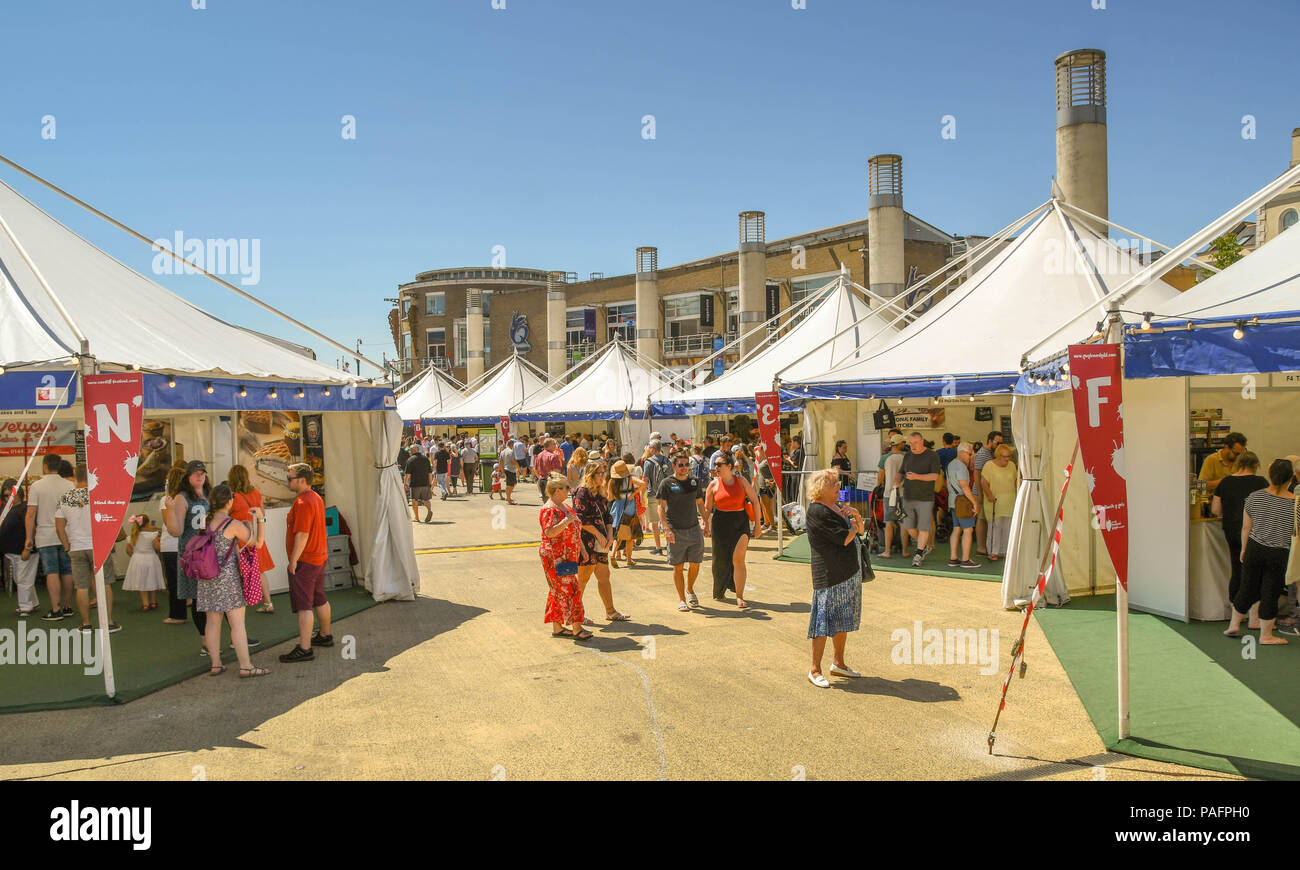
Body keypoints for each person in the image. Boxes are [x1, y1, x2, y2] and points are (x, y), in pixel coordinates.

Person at [197, 484, 270, 678]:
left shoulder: (204, 521)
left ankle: (216, 664)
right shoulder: (233, 524)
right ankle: (246, 666)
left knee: (212, 623)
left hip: (207, 578)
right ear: (230, 501)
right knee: (237, 624)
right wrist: (260, 519)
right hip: (228, 578)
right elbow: (258, 544)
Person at [805, 469, 868, 687]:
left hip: (847, 572)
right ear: (822, 487)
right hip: (829, 574)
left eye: (837, 482)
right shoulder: (817, 511)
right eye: (834, 483)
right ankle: (815, 669)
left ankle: (838, 663)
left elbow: (860, 531)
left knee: (843, 619)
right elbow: (844, 538)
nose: (838, 486)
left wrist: (856, 517)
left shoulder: (837, 507)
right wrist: (852, 525)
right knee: (823, 622)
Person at [1225, 459, 1296, 645]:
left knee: (1246, 587)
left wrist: (1244, 550)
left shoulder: (1254, 496)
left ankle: (1234, 625)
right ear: (1291, 478)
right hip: (1279, 552)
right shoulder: (1295, 504)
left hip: (1254, 548)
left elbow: (1246, 528)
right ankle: (1266, 636)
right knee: (1270, 592)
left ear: (1269, 474)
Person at [55, 464, 121, 633]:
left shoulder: (65, 497)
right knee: (105, 584)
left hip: (76, 547)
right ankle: (108, 622)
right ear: (93, 475)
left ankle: (85, 624)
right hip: (99, 546)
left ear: (76, 475)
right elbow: (111, 521)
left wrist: (67, 546)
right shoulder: (100, 495)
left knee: (82, 587)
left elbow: (59, 527)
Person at [280, 463, 333, 663]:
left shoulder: (303, 502)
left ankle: (305, 648)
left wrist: (293, 560)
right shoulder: (316, 498)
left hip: (306, 560)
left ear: (302, 480)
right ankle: (325, 635)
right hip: (319, 557)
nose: (287, 481)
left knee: (304, 605)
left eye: (290, 478)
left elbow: (302, 534)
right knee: (319, 597)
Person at [165, 460, 218, 649]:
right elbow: (176, 530)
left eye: (202, 472)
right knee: (199, 599)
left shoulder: (210, 495)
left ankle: (232, 637)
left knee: (218, 596)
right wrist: (170, 511)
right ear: (188, 476)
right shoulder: (182, 498)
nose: (200, 476)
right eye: (196, 473)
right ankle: (206, 640)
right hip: (193, 556)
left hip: (211, 552)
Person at [704, 450, 762, 608]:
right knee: (720, 561)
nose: (716, 467)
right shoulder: (713, 484)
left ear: (729, 466)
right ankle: (720, 589)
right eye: (715, 464)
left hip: (739, 522)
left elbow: (755, 502)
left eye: (719, 464)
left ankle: (739, 595)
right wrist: (705, 524)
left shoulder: (741, 481)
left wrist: (757, 524)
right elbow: (707, 508)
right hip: (720, 523)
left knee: (738, 559)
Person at [1211, 451, 1268, 608]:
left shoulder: (1225, 482)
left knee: (1236, 567)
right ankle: (1252, 609)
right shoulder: (1261, 482)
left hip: (1231, 529)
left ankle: (1235, 605)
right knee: (1254, 571)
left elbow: (1215, 509)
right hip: (1254, 532)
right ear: (1256, 465)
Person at [539, 472, 592, 641]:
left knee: (557, 592)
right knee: (572, 590)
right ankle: (576, 627)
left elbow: (575, 529)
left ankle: (558, 628)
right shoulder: (550, 509)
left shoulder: (564, 506)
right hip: (556, 558)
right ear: (556, 491)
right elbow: (549, 532)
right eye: (566, 488)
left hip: (567, 556)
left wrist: (582, 548)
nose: (569, 490)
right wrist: (565, 522)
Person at [572, 462, 628, 621]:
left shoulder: (600, 493)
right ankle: (576, 613)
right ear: (590, 476)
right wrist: (598, 534)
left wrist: (610, 534)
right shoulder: (581, 493)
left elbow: (607, 516)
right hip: (587, 541)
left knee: (604, 576)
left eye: (604, 473)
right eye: (600, 474)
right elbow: (579, 519)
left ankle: (610, 611)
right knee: (583, 578)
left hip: (601, 541)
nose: (604, 476)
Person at [25, 453, 75, 621]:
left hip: (45, 536)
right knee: (67, 571)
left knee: (51, 571)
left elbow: (31, 514)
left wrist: (28, 538)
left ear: (45, 466)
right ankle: (68, 606)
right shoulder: (70, 485)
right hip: (67, 535)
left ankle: (56, 609)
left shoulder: (37, 486)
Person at [658, 450, 706, 612]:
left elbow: (700, 503)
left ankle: (690, 589)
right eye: (681, 465)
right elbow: (661, 507)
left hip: (694, 529)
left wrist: (706, 521)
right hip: (675, 530)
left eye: (687, 465)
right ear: (674, 466)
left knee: (695, 563)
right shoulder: (666, 483)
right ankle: (682, 599)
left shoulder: (694, 482)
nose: (684, 468)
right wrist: (666, 528)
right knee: (678, 566)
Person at [227, 464, 277, 613]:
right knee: (260, 571)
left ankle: (242, 602)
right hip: (256, 536)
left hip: (240, 540)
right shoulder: (255, 492)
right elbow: (263, 512)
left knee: (239, 572)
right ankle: (268, 603)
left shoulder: (233, 497)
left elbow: (226, 517)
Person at [900, 432, 941, 568]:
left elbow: (935, 476)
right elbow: (901, 472)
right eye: (910, 443)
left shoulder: (932, 455)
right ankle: (924, 546)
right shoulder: (907, 456)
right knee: (908, 527)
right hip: (908, 496)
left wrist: (917, 476)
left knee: (923, 527)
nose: (913, 446)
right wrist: (895, 483)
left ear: (922, 441)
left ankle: (918, 555)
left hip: (925, 498)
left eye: (916, 443)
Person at [3, 478, 41, 618]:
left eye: (11, 495)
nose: (8, 498)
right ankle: (33, 602)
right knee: (21, 578)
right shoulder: (5, 509)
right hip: (10, 551)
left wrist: (28, 547)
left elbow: (32, 528)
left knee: (24, 578)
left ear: (19, 493)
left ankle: (25, 606)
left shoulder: (26, 508)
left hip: (25, 549)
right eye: (6, 495)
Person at [159, 465, 189, 625]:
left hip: (171, 545)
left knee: (174, 582)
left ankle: (177, 614)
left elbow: (168, 523)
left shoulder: (167, 500)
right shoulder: (187, 498)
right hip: (186, 544)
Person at [981, 444, 1020, 561]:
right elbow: (984, 482)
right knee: (995, 527)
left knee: (1007, 527)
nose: (1007, 459)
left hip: (1009, 501)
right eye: (1004, 456)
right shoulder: (989, 465)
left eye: (1009, 456)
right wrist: (989, 495)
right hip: (994, 502)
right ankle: (993, 552)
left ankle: (1004, 551)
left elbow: (1015, 481)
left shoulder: (1012, 465)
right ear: (998, 455)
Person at [945, 443, 981, 569]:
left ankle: (953, 558)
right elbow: (965, 487)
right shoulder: (961, 467)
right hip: (962, 502)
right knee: (968, 529)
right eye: (969, 454)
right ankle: (965, 559)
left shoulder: (951, 464)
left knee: (956, 529)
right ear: (961, 452)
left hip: (953, 501)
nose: (970, 457)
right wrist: (974, 503)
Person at [606, 459, 645, 568]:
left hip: (617, 507)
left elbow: (609, 498)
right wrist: (634, 493)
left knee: (618, 533)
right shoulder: (630, 479)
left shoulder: (611, 482)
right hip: (629, 507)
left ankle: (613, 554)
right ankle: (628, 560)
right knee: (630, 535)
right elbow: (643, 484)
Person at [123, 515, 165, 611]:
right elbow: (158, 547)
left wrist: (135, 555)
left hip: (137, 559)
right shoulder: (152, 535)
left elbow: (128, 550)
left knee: (141, 581)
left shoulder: (131, 537)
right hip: (151, 559)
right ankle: (153, 602)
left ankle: (145, 604)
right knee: (152, 579)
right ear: (147, 523)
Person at [972, 431, 1003, 556]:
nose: (999, 445)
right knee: (981, 519)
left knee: (987, 519)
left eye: (1001, 442)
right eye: (997, 442)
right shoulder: (983, 454)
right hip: (981, 492)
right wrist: (980, 494)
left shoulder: (993, 454)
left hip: (989, 492)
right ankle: (981, 547)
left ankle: (986, 545)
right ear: (990, 441)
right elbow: (976, 474)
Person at [642, 440, 671, 556]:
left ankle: (658, 548)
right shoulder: (667, 460)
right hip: (667, 495)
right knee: (668, 520)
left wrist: (641, 496)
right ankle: (670, 546)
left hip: (653, 494)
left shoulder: (648, 462)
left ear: (653, 449)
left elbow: (645, 481)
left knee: (654, 522)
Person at [880, 435, 908, 558]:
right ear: (899, 444)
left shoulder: (884, 458)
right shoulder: (906, 457)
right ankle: (905, 551)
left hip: (889, 493)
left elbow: (881, 477)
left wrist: (879, 487)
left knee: (889, 523)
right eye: (903, 442)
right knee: (903, 523)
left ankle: (887, 551)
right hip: (903, 493)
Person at [405, 447, 435, 521]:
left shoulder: (410, 460)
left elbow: (408, 474)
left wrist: (404, 483)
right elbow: (430, 473)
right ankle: (429, 510)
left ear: (413, 451)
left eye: (410, 450)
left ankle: (417, 518)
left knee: (414, 500)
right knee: (425, 500)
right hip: (425, 483)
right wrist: (430, 483)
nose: (409, 452)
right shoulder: (425, 459)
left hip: (415, 484)